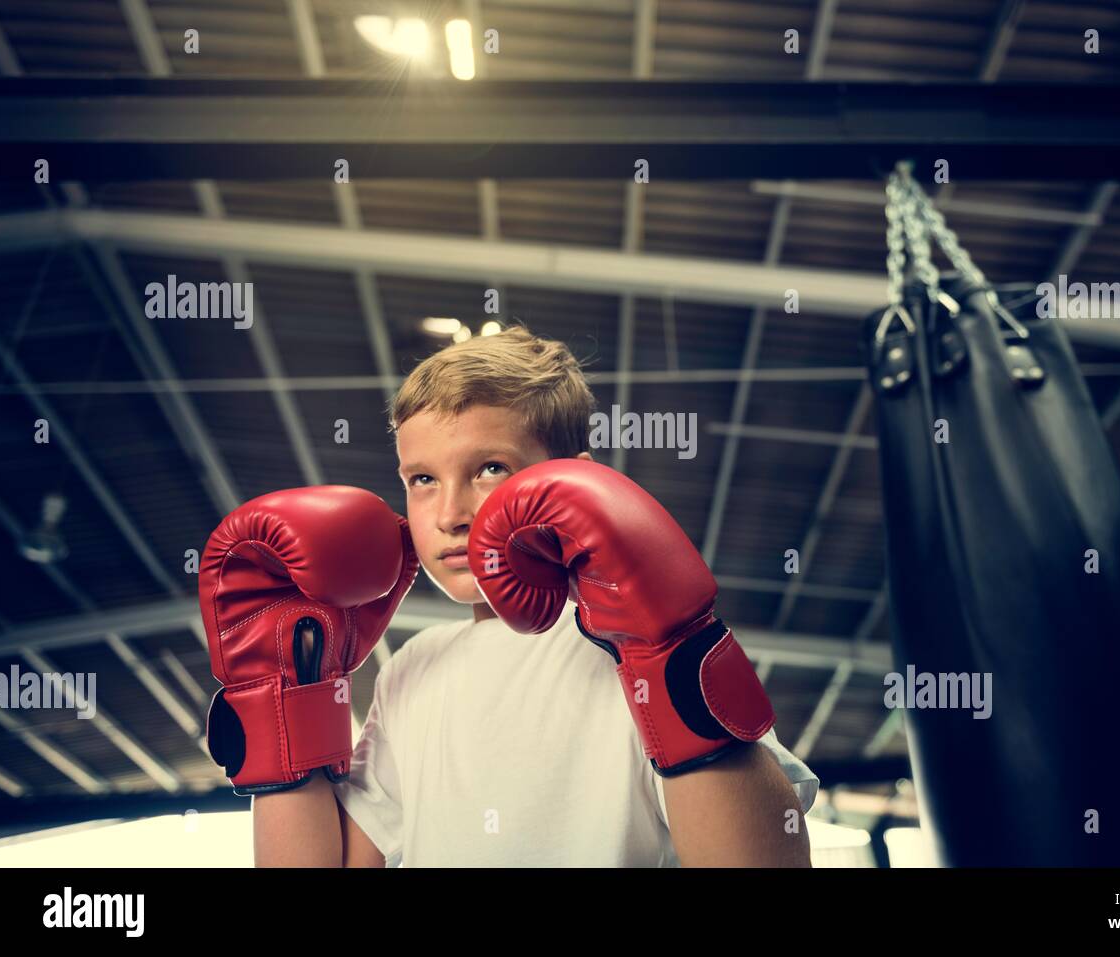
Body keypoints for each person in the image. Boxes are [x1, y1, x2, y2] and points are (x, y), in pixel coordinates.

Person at [217, 325, 818, 866]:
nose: (450, 513)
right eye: (422, 479)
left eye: (490, 469)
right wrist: (280, 695)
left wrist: (669, 648)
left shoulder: (631, 644)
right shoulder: (413, 668)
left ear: (573, 479)